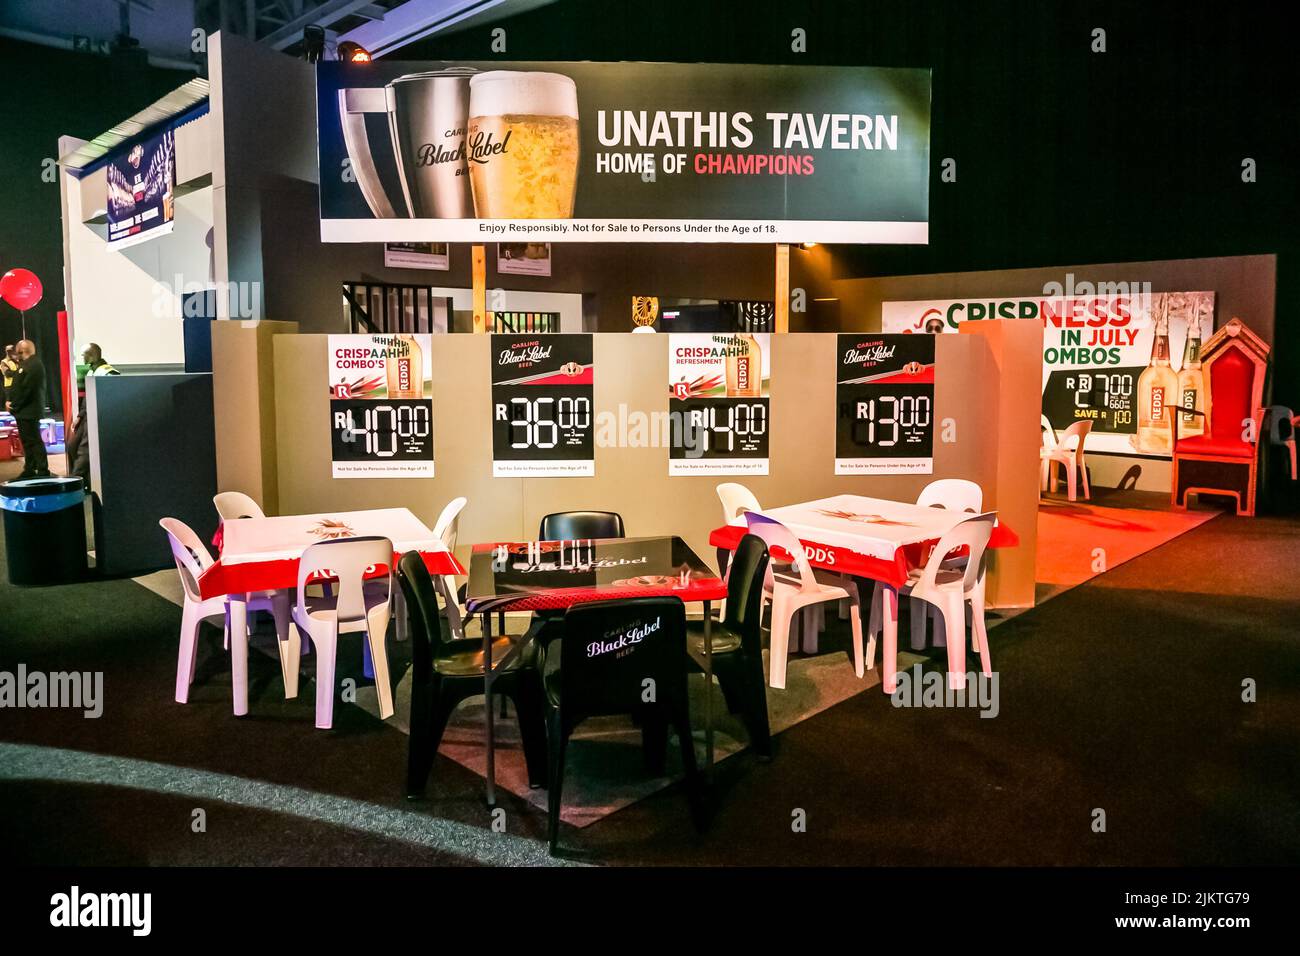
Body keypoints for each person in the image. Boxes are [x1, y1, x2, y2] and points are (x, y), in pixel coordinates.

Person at [65, 343, 120, 484]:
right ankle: (80, 479)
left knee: (85, 450)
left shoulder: (109, 373)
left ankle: (75, 481)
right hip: (87, 416)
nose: (82, 357)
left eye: (84, 354)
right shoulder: (91, 372)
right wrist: (79, 416)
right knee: (72, 445)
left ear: (91, 356)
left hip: (98, 417)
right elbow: (86, 399)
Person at [5, 339, 51, 479]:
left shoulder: (33, 365)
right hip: (24, 411)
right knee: (27, 441)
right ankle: (30, 468)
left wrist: (14, 405)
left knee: (34, 440)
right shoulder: (26, 364)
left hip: (28, 411)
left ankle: (42, 470)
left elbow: (27, 390)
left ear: (21, 351)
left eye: (17, 351)